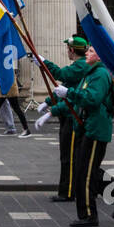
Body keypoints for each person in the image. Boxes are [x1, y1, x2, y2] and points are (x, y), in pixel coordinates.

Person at [50, 44, 114, 227]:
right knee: (87, 169)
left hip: (96, 129)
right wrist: (53, 110)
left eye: (91, 51)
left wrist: (69, 92)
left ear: (100, 56)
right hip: (87, 127)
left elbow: (92, 98)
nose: (86, 53)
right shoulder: (90, 74)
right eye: (87, 50)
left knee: (85, 174)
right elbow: (75, 100)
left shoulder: (100, 74)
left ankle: (89, 215)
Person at [37, 35, 92, 202]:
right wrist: (48, 102)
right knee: (68, 156)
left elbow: (61, 75)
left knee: (69, 157)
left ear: (72, 50)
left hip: (71, 117)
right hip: (68, 115)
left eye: (67, 49)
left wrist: (44, 62)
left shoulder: (80, 66)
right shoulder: (78, 65)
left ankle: (68, 191)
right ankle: (70, 189)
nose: (66, 51)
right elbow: (64, 89)